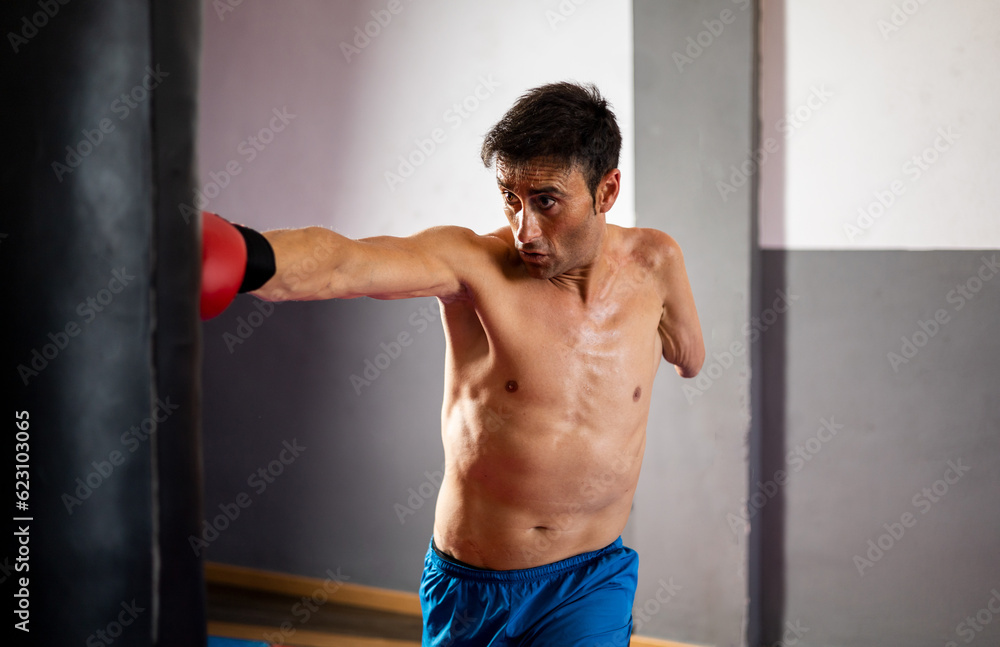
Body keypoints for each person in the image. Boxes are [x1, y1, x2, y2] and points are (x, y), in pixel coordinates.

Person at [201, 81, 704, 646]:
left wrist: (667, 336)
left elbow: (690, 355)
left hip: (591, 579)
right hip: (473, 585)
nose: (524, 230)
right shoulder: (474, 265)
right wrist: (242, 254)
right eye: (510, 198)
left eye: (546, 201)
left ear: (606, 190)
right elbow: (346, 262)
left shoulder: (657, 260)